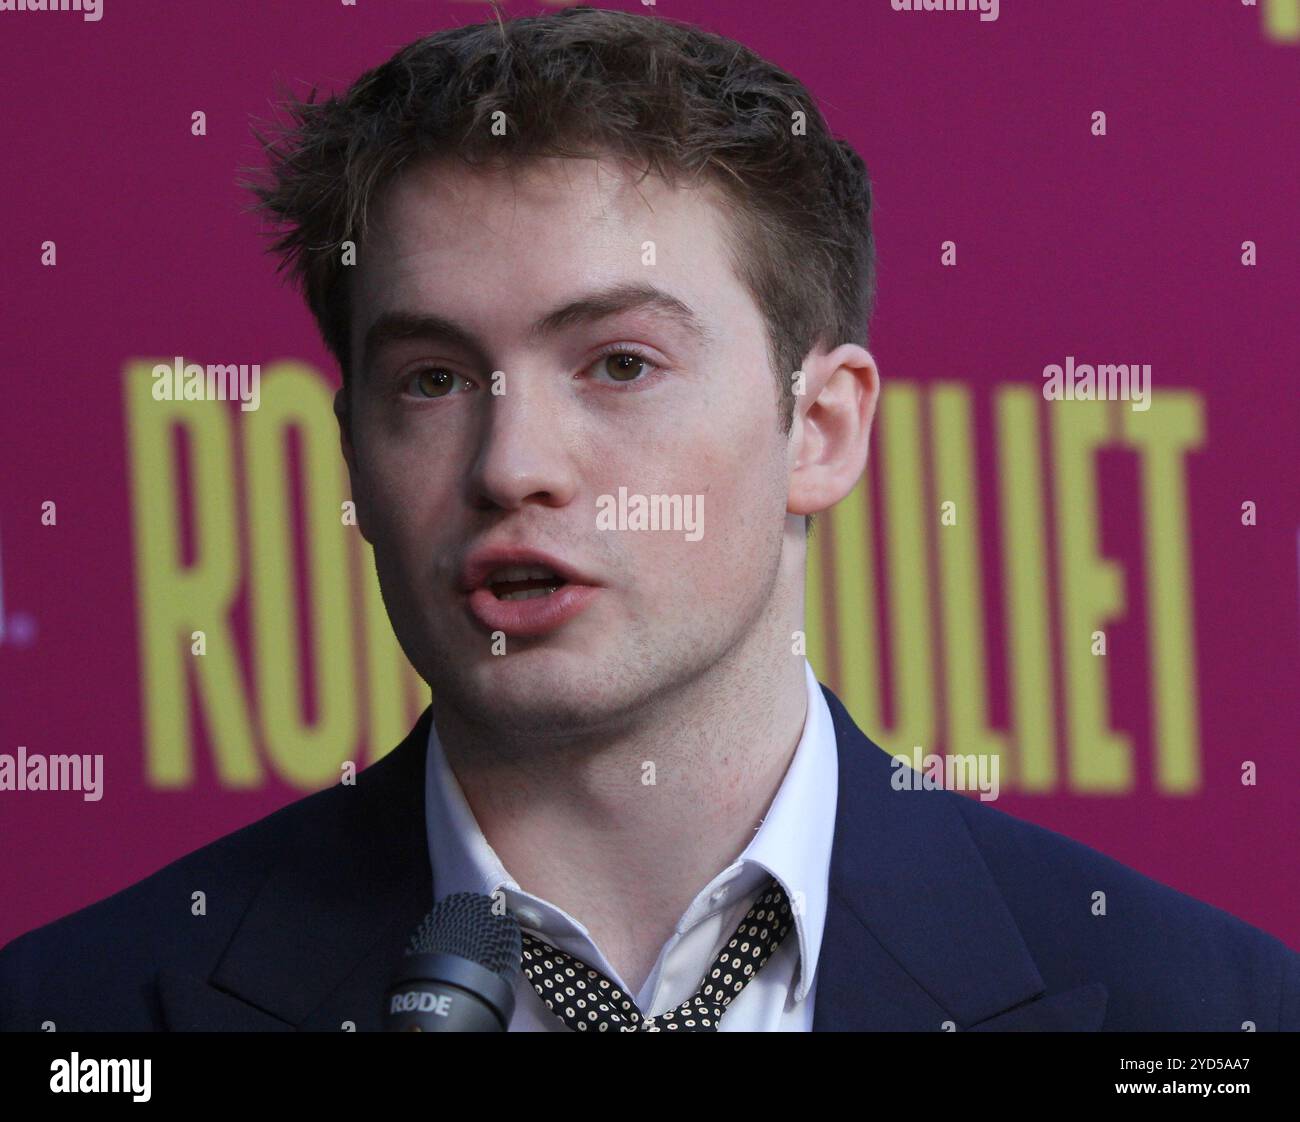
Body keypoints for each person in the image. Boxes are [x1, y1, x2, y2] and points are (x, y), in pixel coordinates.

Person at [2, 5, 1296, 1032]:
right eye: (434, 379)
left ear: (825, 429)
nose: (514, 465)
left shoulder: (1208, 1012)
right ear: (351, 450)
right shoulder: (79, 1017)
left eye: (618, 363)